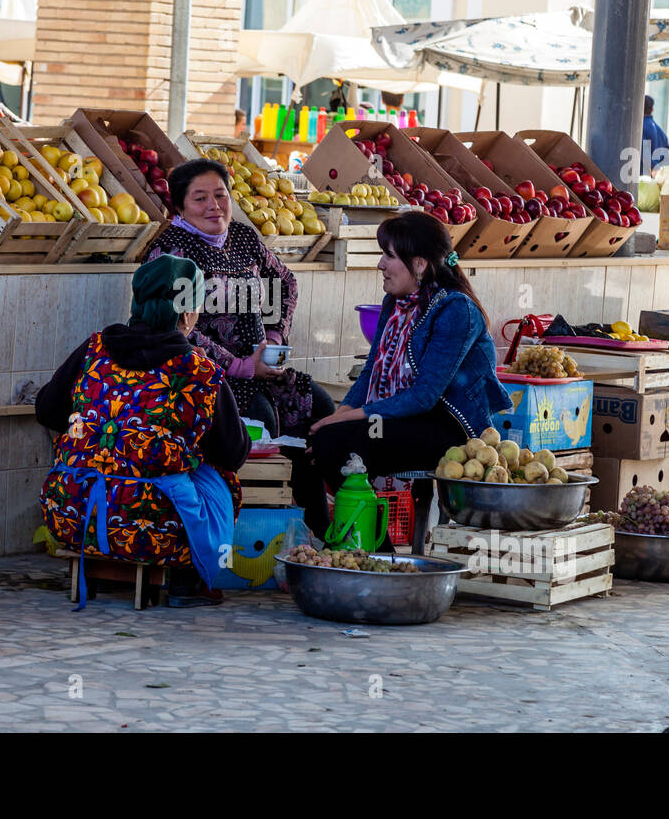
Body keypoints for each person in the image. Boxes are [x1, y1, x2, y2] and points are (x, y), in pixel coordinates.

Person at [35, 256, 250, 607]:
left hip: (70, 514)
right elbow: (231, 453)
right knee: (219, 480)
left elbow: (46, 410)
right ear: (185, 315)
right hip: (153, 532)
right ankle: (186, 580)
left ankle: (100, 568)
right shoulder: (199, 369)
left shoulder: (94, 350)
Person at [144, 158, 336, 532]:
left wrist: (275, 338)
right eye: (200, 198)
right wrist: (242, 366)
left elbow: (284, 281)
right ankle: (247, 537)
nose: (213, 205)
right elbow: (177, 326)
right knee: (258, 423)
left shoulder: (244, 237)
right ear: (180, 206)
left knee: (319, 409)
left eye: (220, 195)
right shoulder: (172, 252)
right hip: (212, 377)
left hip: (262, 367)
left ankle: (314, 529)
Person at [309, 211, 511, 539]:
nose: (380, 265)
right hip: (406, 420)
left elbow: (425, 395)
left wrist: (352, 419)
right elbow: (370, 373)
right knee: (323, 439)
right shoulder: (396, 303)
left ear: (419, 264)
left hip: (450, 427)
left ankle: (371, 550)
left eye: (389, 256)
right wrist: (340, 414)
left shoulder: (455, 310)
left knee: (359, 440)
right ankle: (368, 548)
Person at [641, 94, 669, 171]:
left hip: (642, 175)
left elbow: (644, 152)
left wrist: (653, 166)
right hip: (656, 178)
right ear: (652, 110)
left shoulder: (639, 128)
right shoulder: (660, 131)